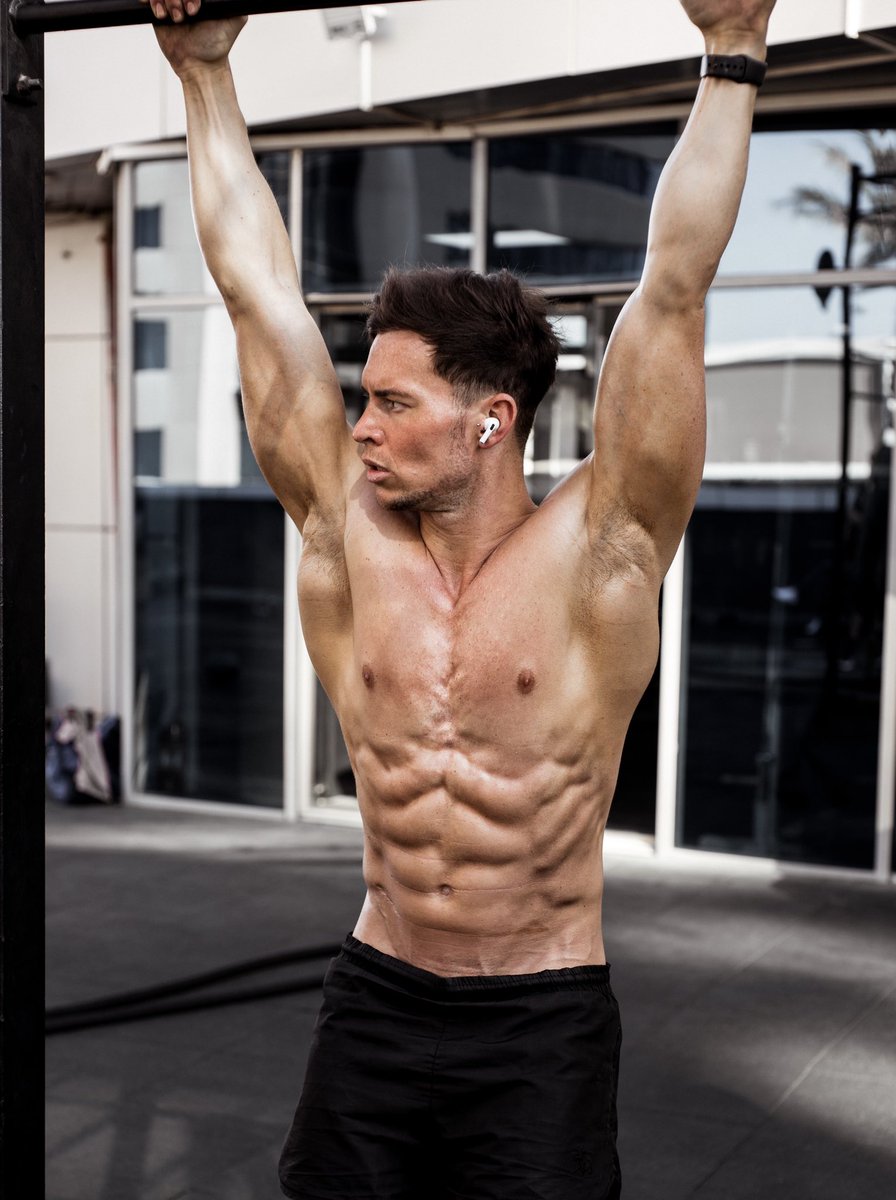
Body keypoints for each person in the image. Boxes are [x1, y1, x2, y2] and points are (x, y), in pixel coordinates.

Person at [147, 1, 777, 1196]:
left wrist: (732, 54)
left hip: (539, 1018)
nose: (360, 426)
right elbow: (254, 291)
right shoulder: (344, 530)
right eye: (362, 398)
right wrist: (204, 75)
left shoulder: (602, 551)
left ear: (490, 422)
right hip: (376, 994)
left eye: (393, 404)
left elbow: (673, 288)